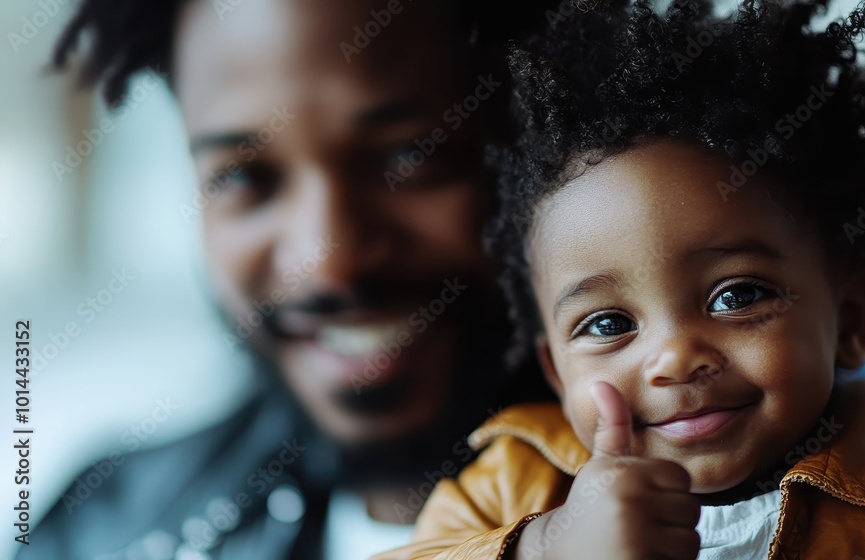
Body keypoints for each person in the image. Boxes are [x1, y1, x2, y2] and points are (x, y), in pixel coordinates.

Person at [376, 1, 865, 558]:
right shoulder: (510, 485)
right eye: (608, 324)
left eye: (737, 296)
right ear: (555, 369)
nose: (674, 358)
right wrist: (544, 549)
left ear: (853, 318)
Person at [21, 0, 556, 558]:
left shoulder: (644, 518)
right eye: (246, 176)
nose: (328, 261)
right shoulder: (99, 528)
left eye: (410, 154)